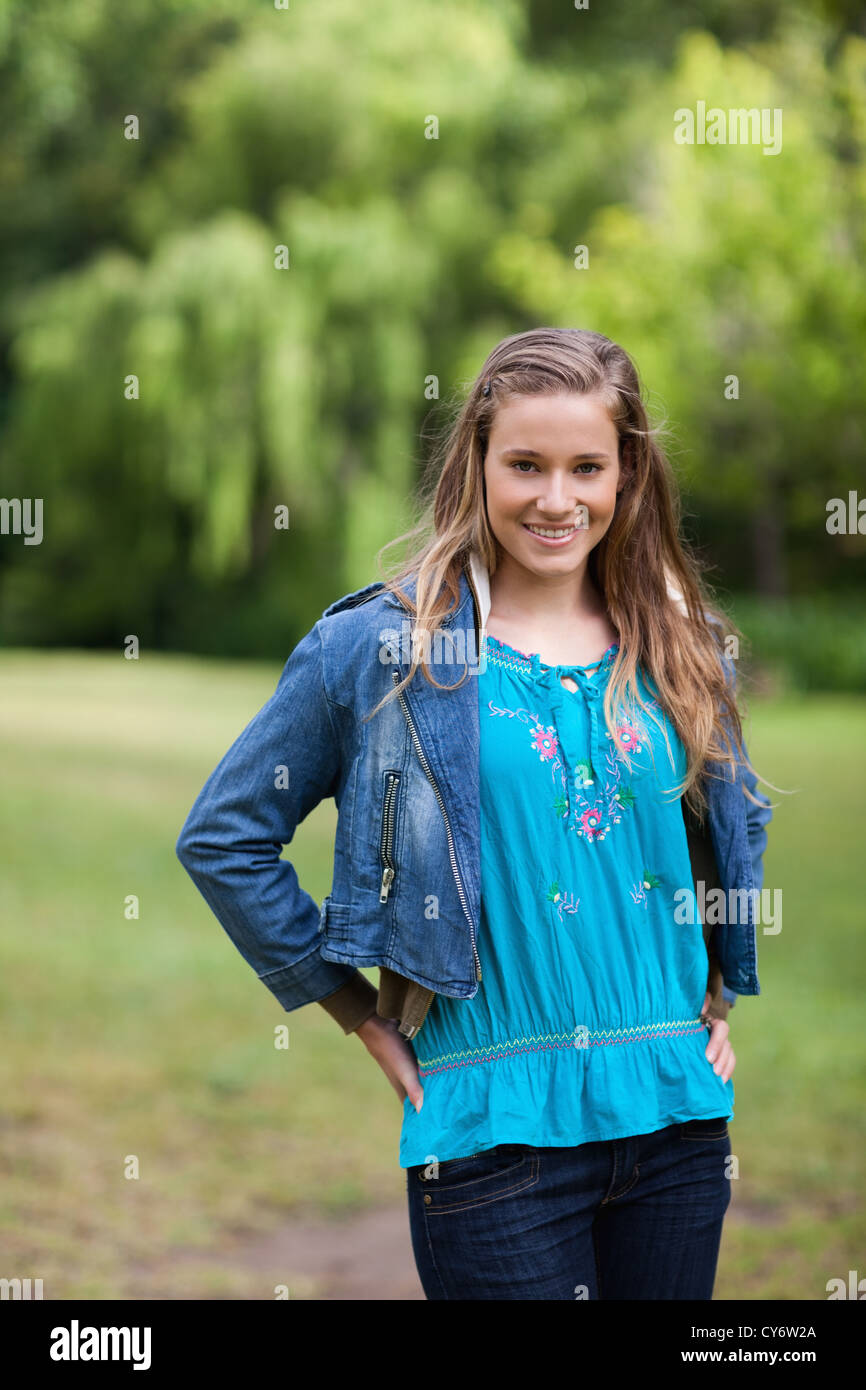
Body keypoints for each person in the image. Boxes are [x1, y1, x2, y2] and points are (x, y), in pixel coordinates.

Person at [176, 326, 774, 1300]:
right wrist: (355, 1011)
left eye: (586, 466)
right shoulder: (382, 648)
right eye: (524, 465)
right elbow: (224, 836)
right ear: (476, 465)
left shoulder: (686, 643)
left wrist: (722, 983)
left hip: (675, 1118)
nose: (555, 497)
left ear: (627, 472)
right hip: (490, 1134)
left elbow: (732, 825)